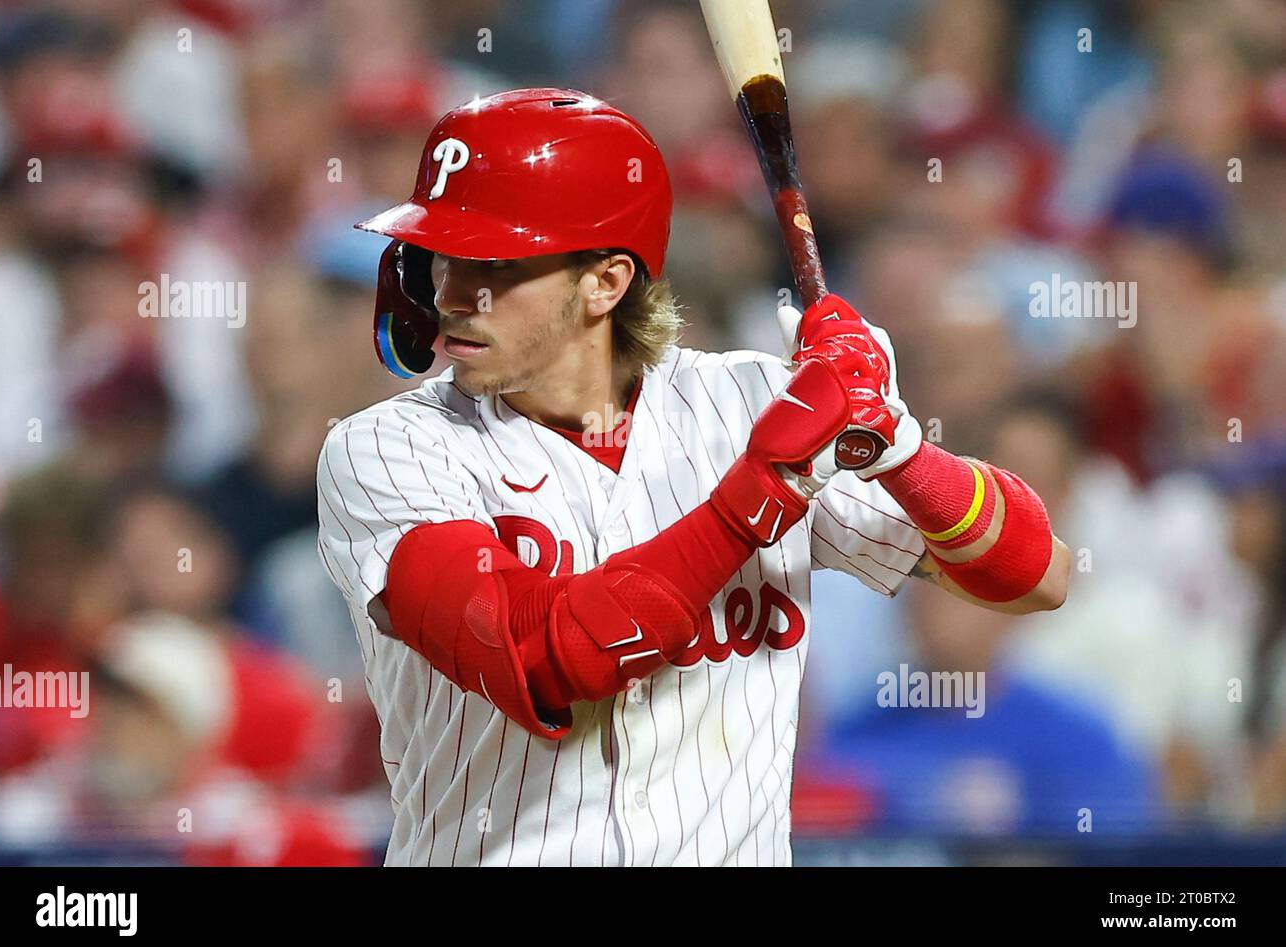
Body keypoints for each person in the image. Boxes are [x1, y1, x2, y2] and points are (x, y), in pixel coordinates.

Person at [315, 88, 1070, 867]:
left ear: (605, 282)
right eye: (441, 256)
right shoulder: (387, 449)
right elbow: (543, 657)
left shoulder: (745, 403)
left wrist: (903, 451)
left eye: (494, 267)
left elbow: (1034, 575)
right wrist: (763, 487)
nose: (448, 297)